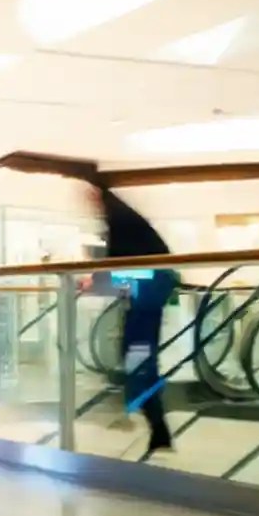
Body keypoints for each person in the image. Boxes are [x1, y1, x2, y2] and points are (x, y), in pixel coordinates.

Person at [88, 179, 177, 456]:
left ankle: (156, 424)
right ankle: (152, 420)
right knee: (137, 356)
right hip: (150, 292)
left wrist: (96, 280)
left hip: (147, 294)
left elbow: (119, 265)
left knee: (138, 357)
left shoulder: (118, 221)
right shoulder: (125, 220)